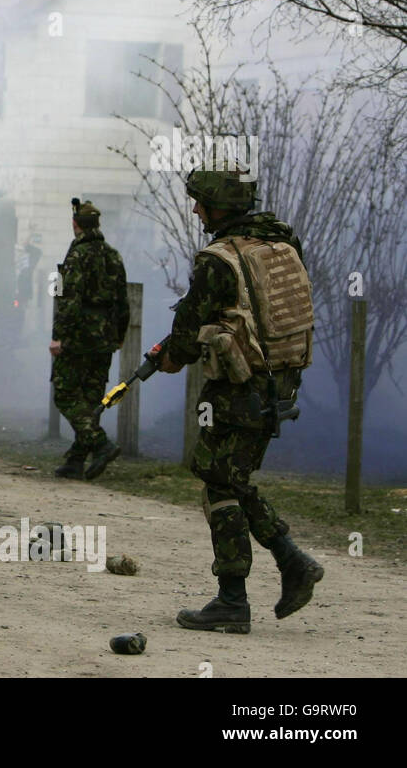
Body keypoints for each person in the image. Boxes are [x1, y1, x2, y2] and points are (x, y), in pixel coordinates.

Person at [158, 169, 323, 634]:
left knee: (217, 479)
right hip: (280, 384)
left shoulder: (218, 260)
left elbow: (187, 336)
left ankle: (234, 598)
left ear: (219, 207)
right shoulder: (283, 245)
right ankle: (290, 564)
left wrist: (170, 355)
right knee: (228, 476)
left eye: (200, 204)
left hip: (239, 386)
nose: (195, 211)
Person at [49, 199, 129, 480]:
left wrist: (60, 337)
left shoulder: (78, 256)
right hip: (105, 337)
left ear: (75, 225)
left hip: (79, 336)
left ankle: (100, 444)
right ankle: (76, 459)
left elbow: (69, 300)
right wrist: (119, 335)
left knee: (65, 393)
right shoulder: (113, 256)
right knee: (92, 397)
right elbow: (123, 300)